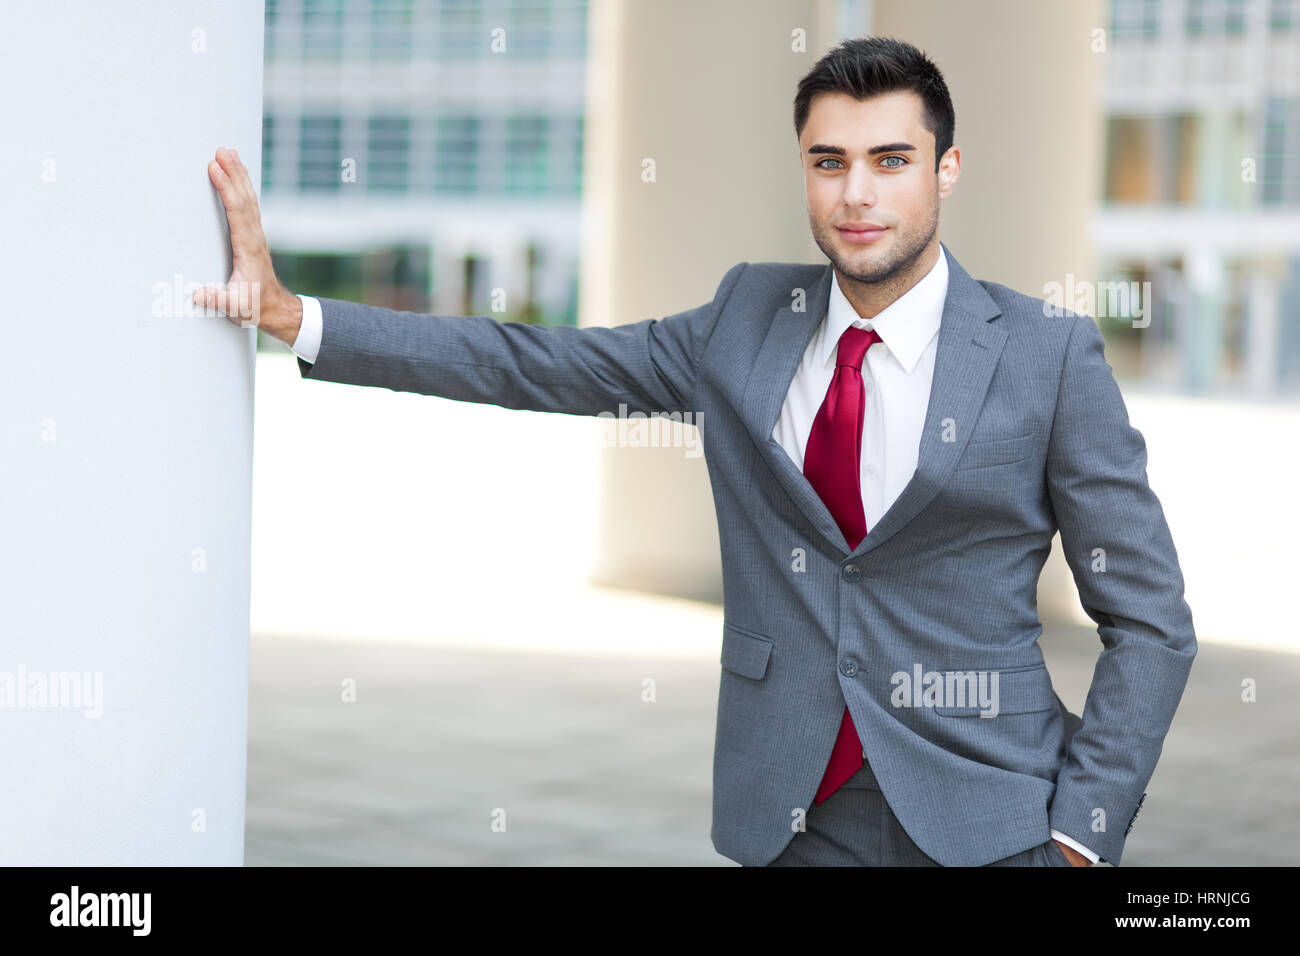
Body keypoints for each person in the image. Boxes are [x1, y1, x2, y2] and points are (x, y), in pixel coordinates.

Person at [195, 36, 1195, 867]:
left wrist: (1080, 832)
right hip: (799, 813)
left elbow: (1149, 618)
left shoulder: (1044, 352)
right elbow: (532, 362)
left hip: (998, 820)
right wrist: (297, 315)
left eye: (891, 160)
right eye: (827, 160)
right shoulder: (745, 320)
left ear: (946, 169)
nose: (857, 192)